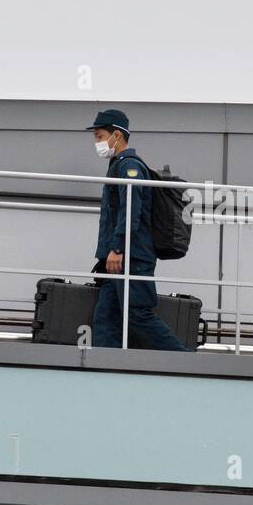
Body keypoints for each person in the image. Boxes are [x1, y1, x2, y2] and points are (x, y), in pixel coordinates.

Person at [86, 109, 189, 351]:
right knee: (105, 317)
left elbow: (130, 210)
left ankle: (186, 361)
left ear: (117, 135)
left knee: (137, 314)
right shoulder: (119, 165)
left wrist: (118, 248)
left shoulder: (129, 166)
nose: (97, 142)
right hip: (119, 258)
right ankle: (105, 367)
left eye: (100, 136)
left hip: (131, 256)